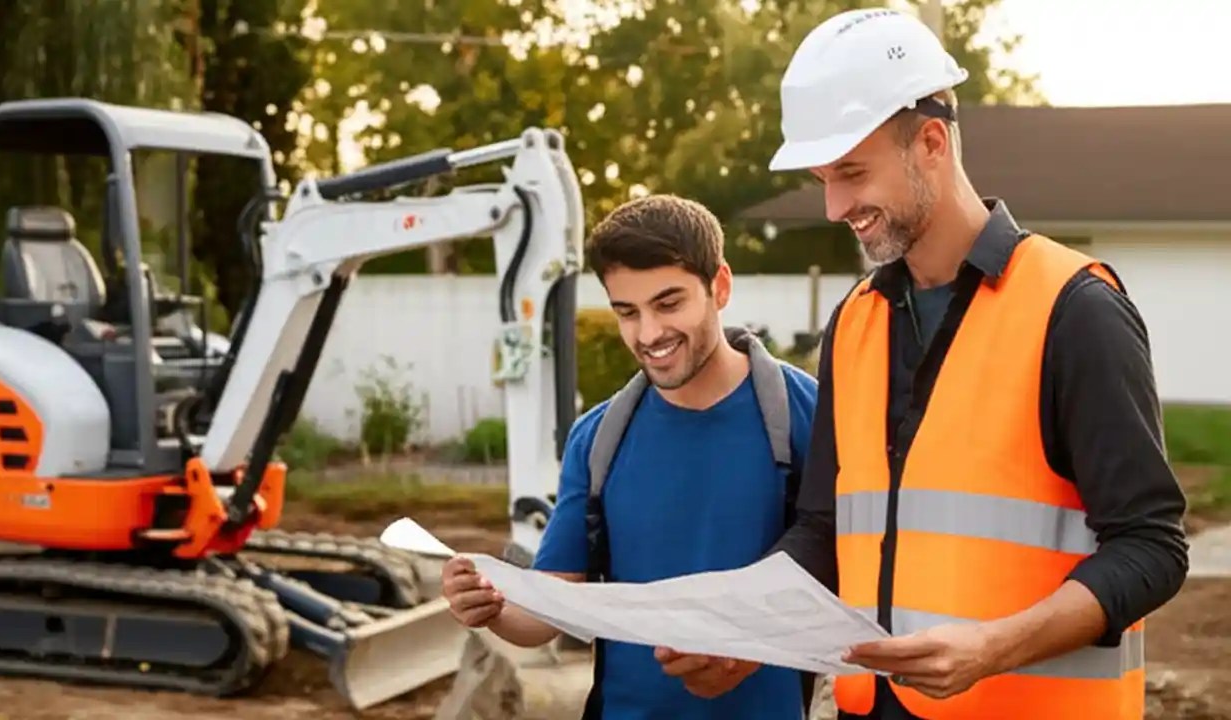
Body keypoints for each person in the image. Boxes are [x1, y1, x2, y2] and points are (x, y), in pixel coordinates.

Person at [656, 7, 1189, 719]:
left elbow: (1152, 547)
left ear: (931, 142)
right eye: (824, 177)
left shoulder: (1075, 310)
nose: (836, 204)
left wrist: (995, 646)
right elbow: (824, 530)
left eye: (852, 172)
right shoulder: (855, 322)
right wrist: (747, 633)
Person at [440, 193, 821, 719]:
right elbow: (550, 608)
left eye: (669, 304)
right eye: (627, 312)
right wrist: (492, 607)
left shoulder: (806, 414)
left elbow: (841, 568)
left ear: (721, 286)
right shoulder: (597, 438)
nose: (649, 334)